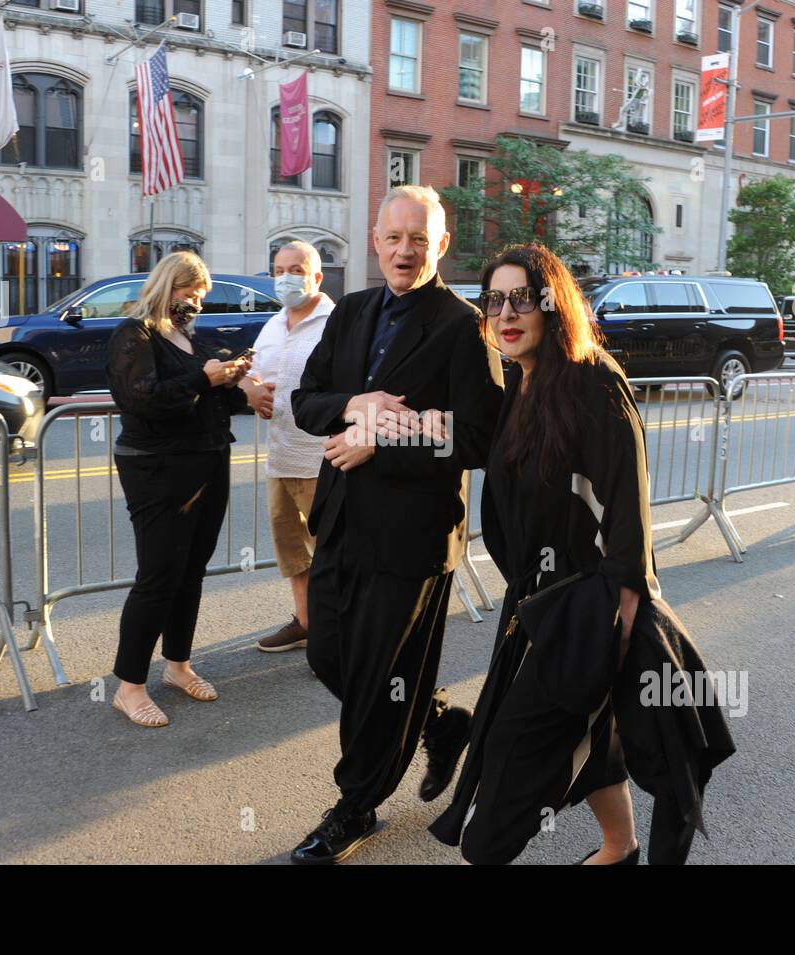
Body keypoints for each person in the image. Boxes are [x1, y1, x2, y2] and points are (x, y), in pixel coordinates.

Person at [428, 243, 732, 865]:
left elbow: (628, 508)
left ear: (552, 304)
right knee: (592, 737)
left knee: (494, 815)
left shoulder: (592, 380)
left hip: (586, 613)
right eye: (494, 301)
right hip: (539, 609)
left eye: (522, 298)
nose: (507, 313)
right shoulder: (522, 381)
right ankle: (619, 848)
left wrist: (616, 624)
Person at [288, 185, 505, 864]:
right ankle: (441, 720)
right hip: (342, 518)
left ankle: (354, 805)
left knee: (381, 668)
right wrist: (357, 402)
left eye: (420, 238)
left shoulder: (463, 325)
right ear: (375, 239)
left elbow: (478, 435)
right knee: (329, 652)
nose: (405, 249)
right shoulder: (350, 312)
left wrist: (381, 434)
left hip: (411, 534)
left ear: (440, 245)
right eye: (393, 236)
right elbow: (305, 402)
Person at [104, 251, 252, 727]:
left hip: (208, 459)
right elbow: (141, 399)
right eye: (193, 292)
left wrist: (233, 379)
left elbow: (208, 396)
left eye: (203, 295)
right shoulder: (135, 334)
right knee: (159, 574)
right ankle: (129, 687)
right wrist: (202, 377)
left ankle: (178, 666)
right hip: (157, 467)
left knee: (191, 570)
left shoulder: (190, 338)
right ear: (169, 287)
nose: (198, 302)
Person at [238, 241, 335, 652]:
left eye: (296, 268)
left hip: (323, 458)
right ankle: (306, 622)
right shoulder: (273, 324)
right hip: (280, 455)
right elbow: (252, 373)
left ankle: (335, 634)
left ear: (317, 276)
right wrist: (248, 388)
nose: (286, 277)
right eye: (279, 269)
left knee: (331, 551)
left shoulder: (337, 321)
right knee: (292, 548)